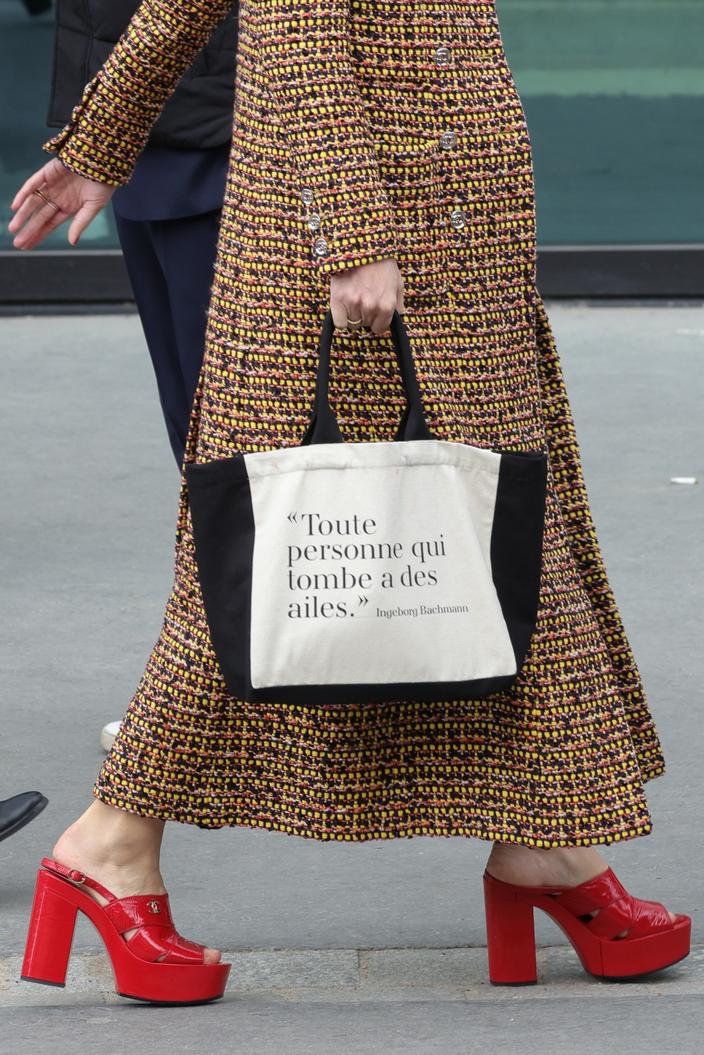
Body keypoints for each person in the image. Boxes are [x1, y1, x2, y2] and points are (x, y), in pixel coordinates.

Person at [9, 0, 690, 1004]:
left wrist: (105, 136)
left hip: (435, 244)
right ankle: (110, 841)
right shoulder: (356, 234)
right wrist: (353, 237)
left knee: (500, 536)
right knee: (270, 571)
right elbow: (299, 34)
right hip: (373, 259)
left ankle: (545, 845)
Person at [46, 0, 238, 753]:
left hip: (222, 122)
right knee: (201, 433)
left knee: (237, 436)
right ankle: (233, 672)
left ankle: (231, 685)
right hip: (146, 112)